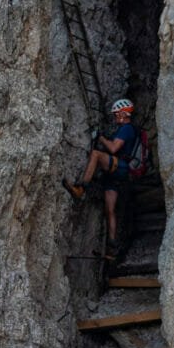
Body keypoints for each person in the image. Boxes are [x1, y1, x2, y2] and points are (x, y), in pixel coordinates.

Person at [63, 98, 137, 251]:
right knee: (110, 209)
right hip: (117, 173)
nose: (116, 117)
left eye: (117, 114)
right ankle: (112, 245)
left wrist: (100, 137)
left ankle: (81, 188)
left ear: (124, 114)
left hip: (120, 166)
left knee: (96, 154)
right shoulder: (126, 129)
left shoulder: (126, 128)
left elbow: (114, 148)